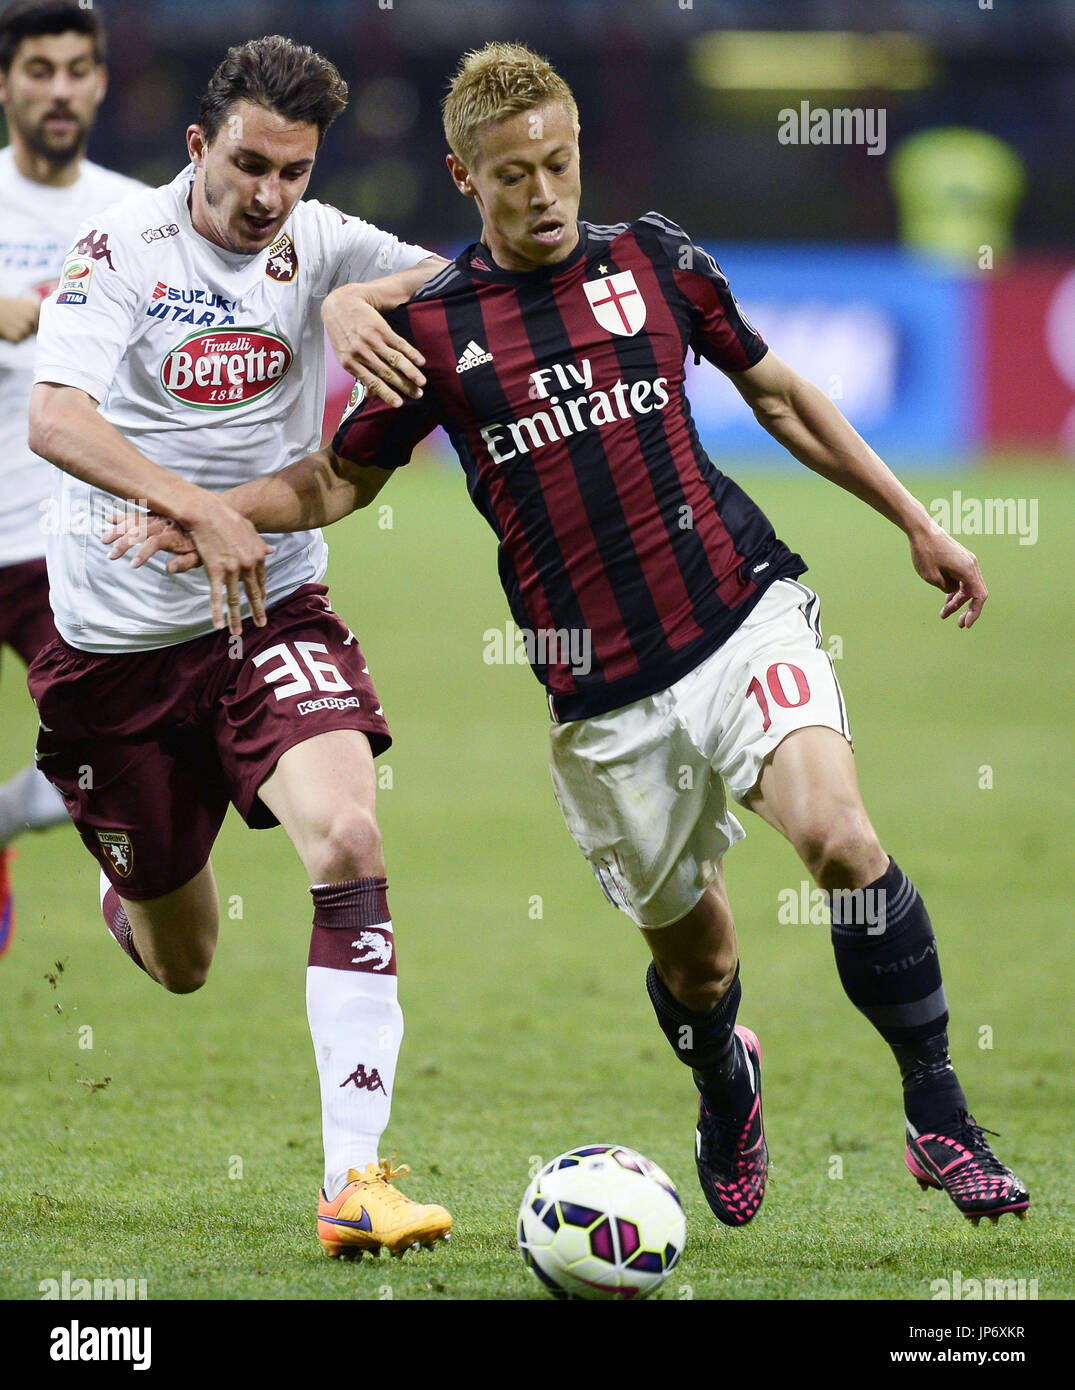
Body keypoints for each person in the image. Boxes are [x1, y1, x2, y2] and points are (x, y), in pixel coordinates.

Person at [110, 42, 1029, 1230]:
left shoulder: (655, 261)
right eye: (513, 176)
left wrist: (916, 519)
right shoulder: (432, 330)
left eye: (559, 164)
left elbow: (780, 394)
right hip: (602, 701)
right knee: (696, 967)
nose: (543, 193)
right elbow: (337, 483)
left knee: (842, 841)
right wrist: (211, 511)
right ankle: (722, 1075)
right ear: (462, 176)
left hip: (742, 611)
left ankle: (939, 1113)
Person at [26, 32, 454, 1259]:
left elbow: (467, 283)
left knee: (351, 835)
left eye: (297, 172)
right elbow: (56, 418)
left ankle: (354, 1178)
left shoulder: (318, 243)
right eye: (250, 166)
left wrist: (357, 296)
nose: (270, 196)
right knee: (185, 962)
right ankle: (130, 887)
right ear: (198, 144)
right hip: (112, 654)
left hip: (271, 609)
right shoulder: (120, 253)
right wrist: (198, 504)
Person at [0, 0, 142, 955]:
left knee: (122, 757)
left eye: (75, 69)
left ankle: (8, 815)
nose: (58, 88)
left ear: (98, 81)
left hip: (63, 547)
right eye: (38, 68)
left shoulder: (136, 216)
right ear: (6, 82)